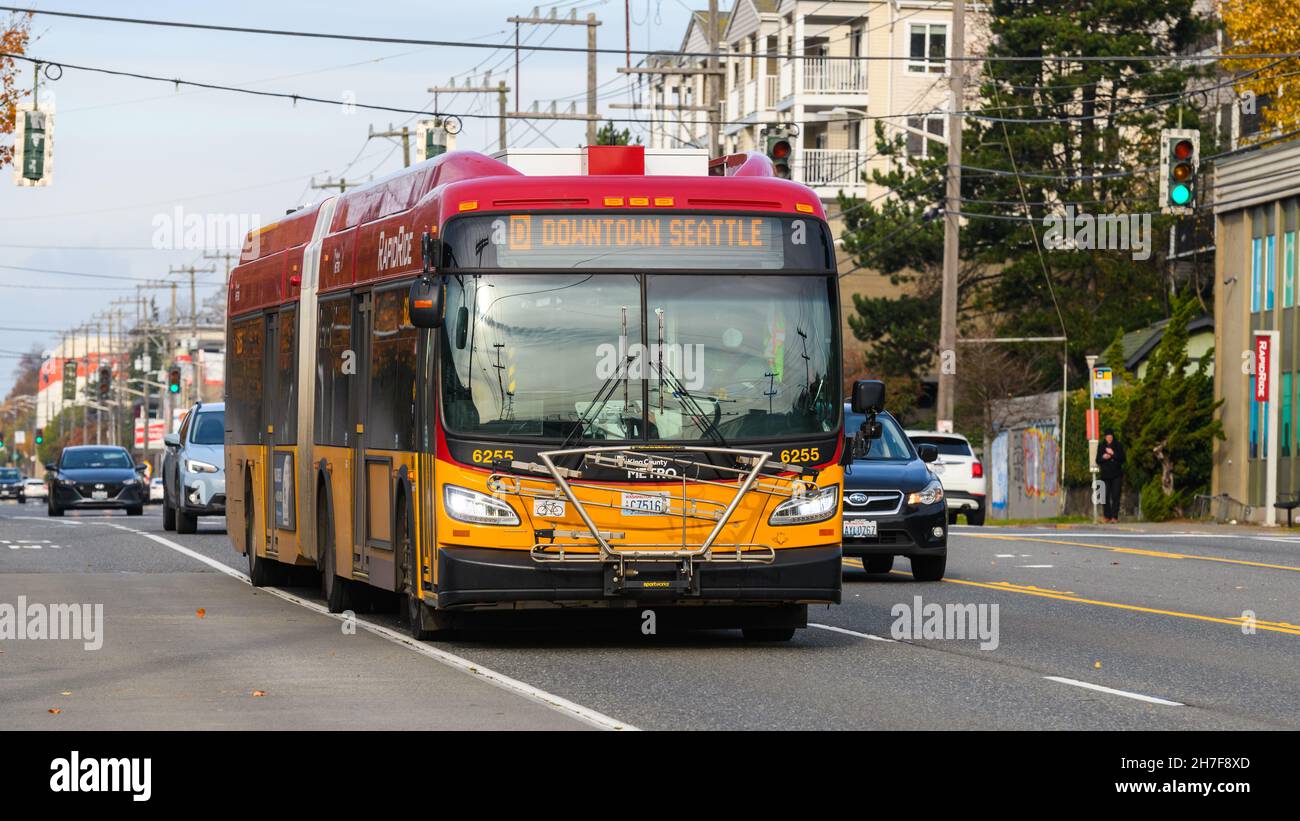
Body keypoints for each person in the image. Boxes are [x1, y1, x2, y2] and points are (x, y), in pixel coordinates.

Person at [1095, 430, 1125, 522]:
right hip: (1105, 475)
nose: (1109, 438)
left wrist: (1113, 453)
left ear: (1113, 437)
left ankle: (1114, 517)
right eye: (1107, 437)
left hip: (1116, 474)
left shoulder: (1118, 445)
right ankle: (1106, 516)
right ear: (1105, 437)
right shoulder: (1101, 446)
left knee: (1116, 496)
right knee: (1105, 496)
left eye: (1111, 437)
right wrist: (1103, 457)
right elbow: (1097, 460)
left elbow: (1123, 459)